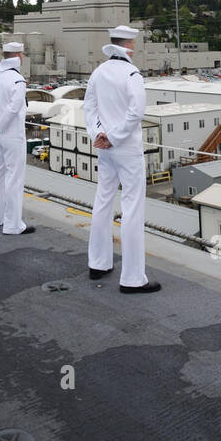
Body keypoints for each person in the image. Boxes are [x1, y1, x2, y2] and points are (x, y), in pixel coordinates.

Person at [85, 25, 159, 293]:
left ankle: (98, 263)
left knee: (102, 201)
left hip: (104, 148)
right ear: (129, 46)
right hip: (126, 149)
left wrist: (99, 134)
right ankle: (132, 278)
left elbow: (89, 107)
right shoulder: (132, 74)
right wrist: (114, 136)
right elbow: (135, 113)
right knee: (132, 210)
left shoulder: (98, 72)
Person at [0, 41, 34, 235]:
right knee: (14, 178)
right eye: (21, 54)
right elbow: (14, 107)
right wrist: (1, 125)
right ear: (18, 57)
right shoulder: (18, 81)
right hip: (12, 134)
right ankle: (13, 224)